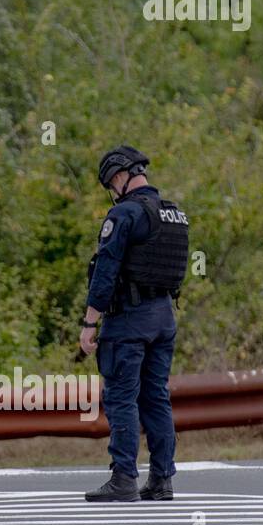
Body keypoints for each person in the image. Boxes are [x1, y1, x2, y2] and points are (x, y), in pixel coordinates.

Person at [80, 145, 189, 502]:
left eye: (110, 184)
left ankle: (124, 477)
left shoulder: (124, 215)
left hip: (129, 320)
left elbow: (106, 271)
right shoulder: (174, 214)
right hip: (163, 318)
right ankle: (161, 479)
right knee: (156, 397)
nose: (112, 192)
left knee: (121, 397)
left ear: (118, 176)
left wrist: (89, 322)